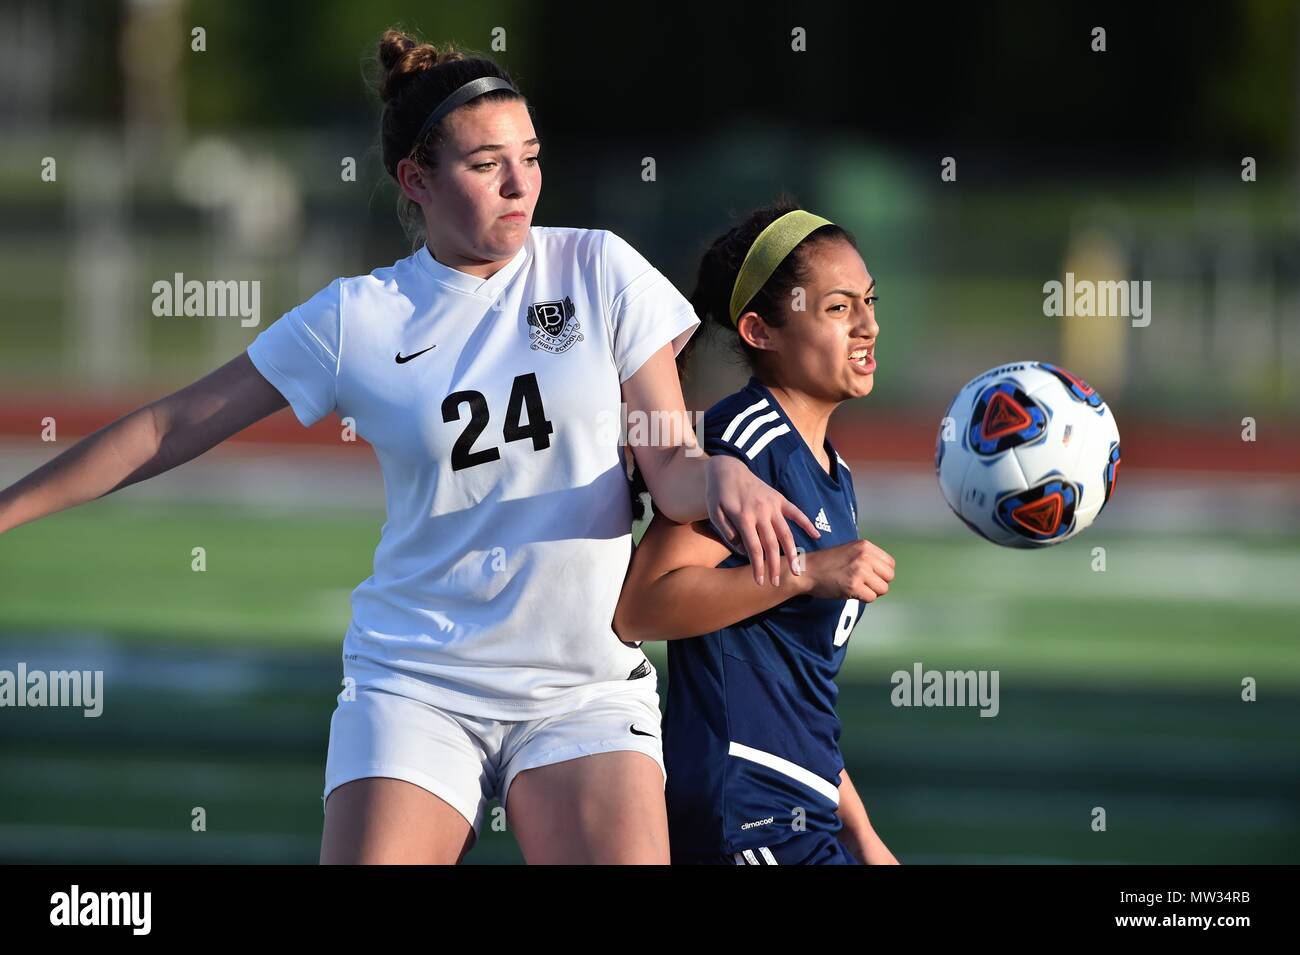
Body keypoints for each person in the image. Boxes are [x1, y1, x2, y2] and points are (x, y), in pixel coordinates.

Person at [0, 33, 821, 864]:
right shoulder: (361, 315)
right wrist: (7, 511)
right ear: (416, 180)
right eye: (485, 164)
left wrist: (717, 474)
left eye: (530, 157)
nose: (519, 183)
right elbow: (171, 426)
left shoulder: (598, 268)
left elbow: (669, 467)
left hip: (583, 690)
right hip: (416, 683)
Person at [615, 201, 900, 864]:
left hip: (803, 812)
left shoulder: (833, 472)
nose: (869, 324)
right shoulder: (742, 444)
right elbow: (640, 605)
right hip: (742, 815)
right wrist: (808, 571)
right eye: (837, 308)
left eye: (870, 300)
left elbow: (801, 691)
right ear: (760, 331)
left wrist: (865, 835)